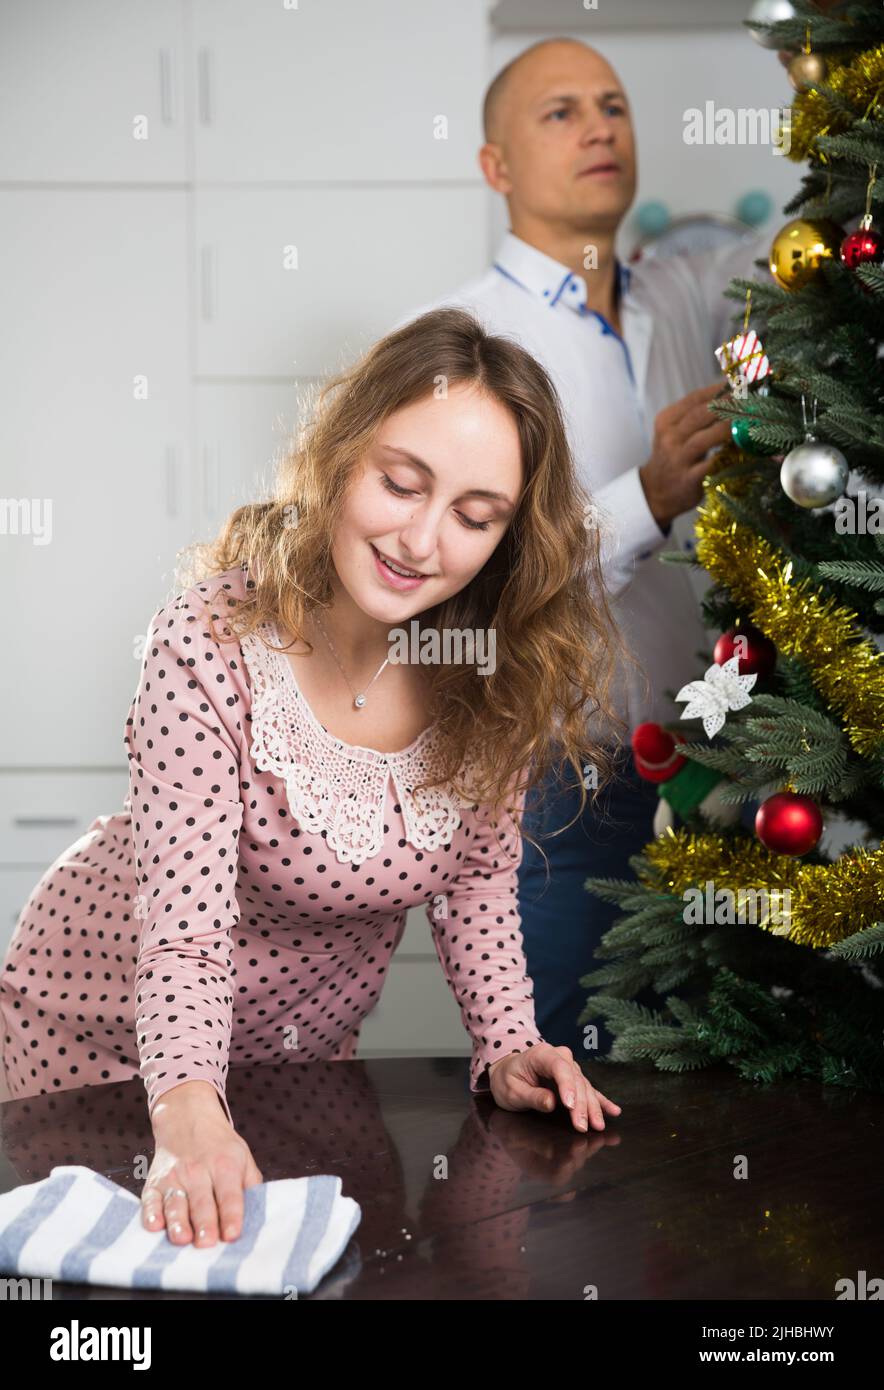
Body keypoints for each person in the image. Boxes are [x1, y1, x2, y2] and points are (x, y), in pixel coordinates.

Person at [0, 307, 625, 1248]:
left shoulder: (492, 668)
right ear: (342, 453)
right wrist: (185, 1113)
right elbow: (185, 936)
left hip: (298, 1064)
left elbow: (477, 885)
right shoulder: (208, 643)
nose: (420, 540)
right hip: (90, 1041)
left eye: (473, 515)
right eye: (401, 483)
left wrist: (506, 1044)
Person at [394, 36, 777, 1056]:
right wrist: (644, 498)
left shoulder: (686, 299)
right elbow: (442, 580)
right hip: (552, 795)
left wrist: (820, 80)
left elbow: (808, 243)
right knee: (550, 1080)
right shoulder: (453, 341)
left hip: (713, 781)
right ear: (496, 168)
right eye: (558, 111)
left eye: (611, 104)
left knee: (703, 1080)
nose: (599, 124)